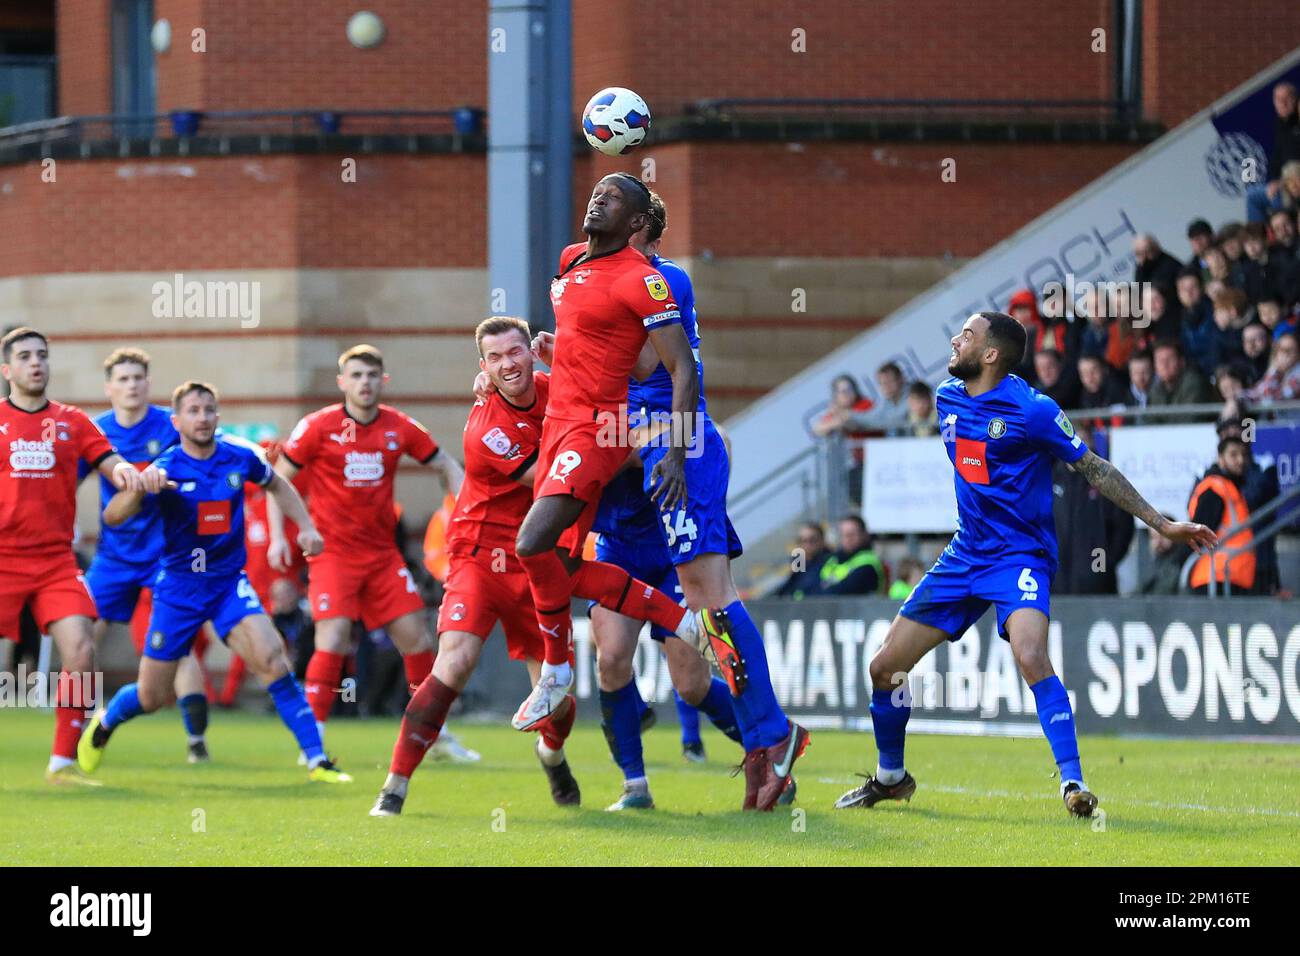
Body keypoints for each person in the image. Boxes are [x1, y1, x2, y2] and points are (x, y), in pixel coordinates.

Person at [833, 311, 1215, 818]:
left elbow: (1094, 467)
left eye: (966, 334)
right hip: (965, 552)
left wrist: (1161, 523)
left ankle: (1073, 783)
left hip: (1019, 556)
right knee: (884, 668)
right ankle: (890, 777)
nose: (955, 338)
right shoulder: (947, 399)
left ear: (991, 354)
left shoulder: (1033, 410)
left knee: (1032, 655)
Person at [512, 173, 809, 811]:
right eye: (595, 194)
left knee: (708, 602)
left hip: (660, 439)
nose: (596, 203)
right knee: (554, 561)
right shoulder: (577, 269)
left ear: (639, 225)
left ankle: (770, 738)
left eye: (616, 200)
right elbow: (619, 358)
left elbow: (676, 369)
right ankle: (645, 768)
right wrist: (555, 356)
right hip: (616, 441)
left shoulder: (656, 279)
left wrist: (675, 442)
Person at [77, 381, 353, 783]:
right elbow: (113, 516)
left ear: (217, 417)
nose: (202, 418)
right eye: (193, 411)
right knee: (152, 696)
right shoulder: (164, 468)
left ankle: (317, 759)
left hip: (227, 584)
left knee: (273, 658)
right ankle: (104, 723)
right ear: (177, 421)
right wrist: (139, 489)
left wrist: (305, 526)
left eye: (208, 410)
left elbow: (277, 483)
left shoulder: (239, 457)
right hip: (177, 590)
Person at [266, 344, 468, 760]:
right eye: (356, 376)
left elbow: (445, 463)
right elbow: (276, 480)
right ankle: (313, 742)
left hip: (382, 556)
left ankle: (433, 734)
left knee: (416, 639)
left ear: (383, 381)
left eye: (372, 376)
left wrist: (463, 510)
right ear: (342, 382)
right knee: (334, 637)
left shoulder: (399, 427)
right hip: (332, 553)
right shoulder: (317, 427)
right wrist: (280, 536)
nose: (365, 383)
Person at [0, 328, 148, 786]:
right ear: (7, 370)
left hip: (54, 562)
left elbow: (111, 462)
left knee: (82, 651)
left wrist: (127, 473)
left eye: (41, 355)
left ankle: (62, 763)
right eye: (24, 356)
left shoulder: (73, 421)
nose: (35, 363)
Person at [82, 347, 212, 762]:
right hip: (114, 555)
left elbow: (208, 459)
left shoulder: (169, 427)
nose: (131, 386)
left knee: (178, 646)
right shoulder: (97, 432)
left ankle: (196, 741)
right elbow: (66, 480)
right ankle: (77, 719)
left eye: (137, 378)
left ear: (148, 384)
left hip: (165, 557)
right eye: (122, 379)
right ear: (109, 388)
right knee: (79, 633)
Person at [1051, 423, 1134, 595]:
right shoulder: (1051, 478)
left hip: (1097, 587)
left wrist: (1104, 563)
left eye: (1084, 443)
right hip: (1056, 586)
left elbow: (1124, 525)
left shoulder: (1105, 480)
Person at [1187, 436, 1256, 595]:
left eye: (1243, 455)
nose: (1240, 460)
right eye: (1233, 454)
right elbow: (1198, 533)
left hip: (1229, 577)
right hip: (1216, 579)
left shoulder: (1232, 488)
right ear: (1220, 458)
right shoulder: (1215, 488)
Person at [1246, 82, 1300, 223]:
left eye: (1286, 98)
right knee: (1252, 196)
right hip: (1282, 181)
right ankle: (1258, 238)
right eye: (1278, 99)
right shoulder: (1279, 125)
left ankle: (1287, 233)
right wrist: (1274, 181)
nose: (1282, 103)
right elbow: (1276, 158)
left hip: (1294, 179)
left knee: (1277, 194)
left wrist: (1281, 182)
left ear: (1295, 99)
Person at [1147, 341, 1215, 423]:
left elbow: (1189, 419)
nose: (1164, 365)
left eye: (1170, 359)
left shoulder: (1193, 383)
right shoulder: (1154, 389)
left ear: (1181, 362)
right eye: (1160, 360)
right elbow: (1150, 422)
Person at [818, 515, 885, 595]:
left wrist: (820, 589)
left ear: (863, 535)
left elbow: (843, 591)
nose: (848, 539)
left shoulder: (868, 563)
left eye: (852, 534)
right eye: (844, 535)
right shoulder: (832, 559)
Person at [843, 362, 910, 434]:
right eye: (881, 383)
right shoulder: (888, 399)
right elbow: (873, 416)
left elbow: (889, 422)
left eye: (889, 382)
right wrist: (847, 418)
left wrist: (850, 415)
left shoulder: (914, 395)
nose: (885, 387)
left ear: (901, 380)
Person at [775, 522, 830, 598]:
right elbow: (788, 589)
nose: (807, 545)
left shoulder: (830, 562)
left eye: (812, 540)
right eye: (802, 540)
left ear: (822, 541)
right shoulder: (798, 564)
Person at [1243, 331, 1300, 404]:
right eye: (1281, 349)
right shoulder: (1276, 371)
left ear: (1298, 353)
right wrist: (1237, 399)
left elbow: (1269, 398)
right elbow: (1256, 393)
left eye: (1289, 350)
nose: (1285, 354)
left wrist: (1277, 370)